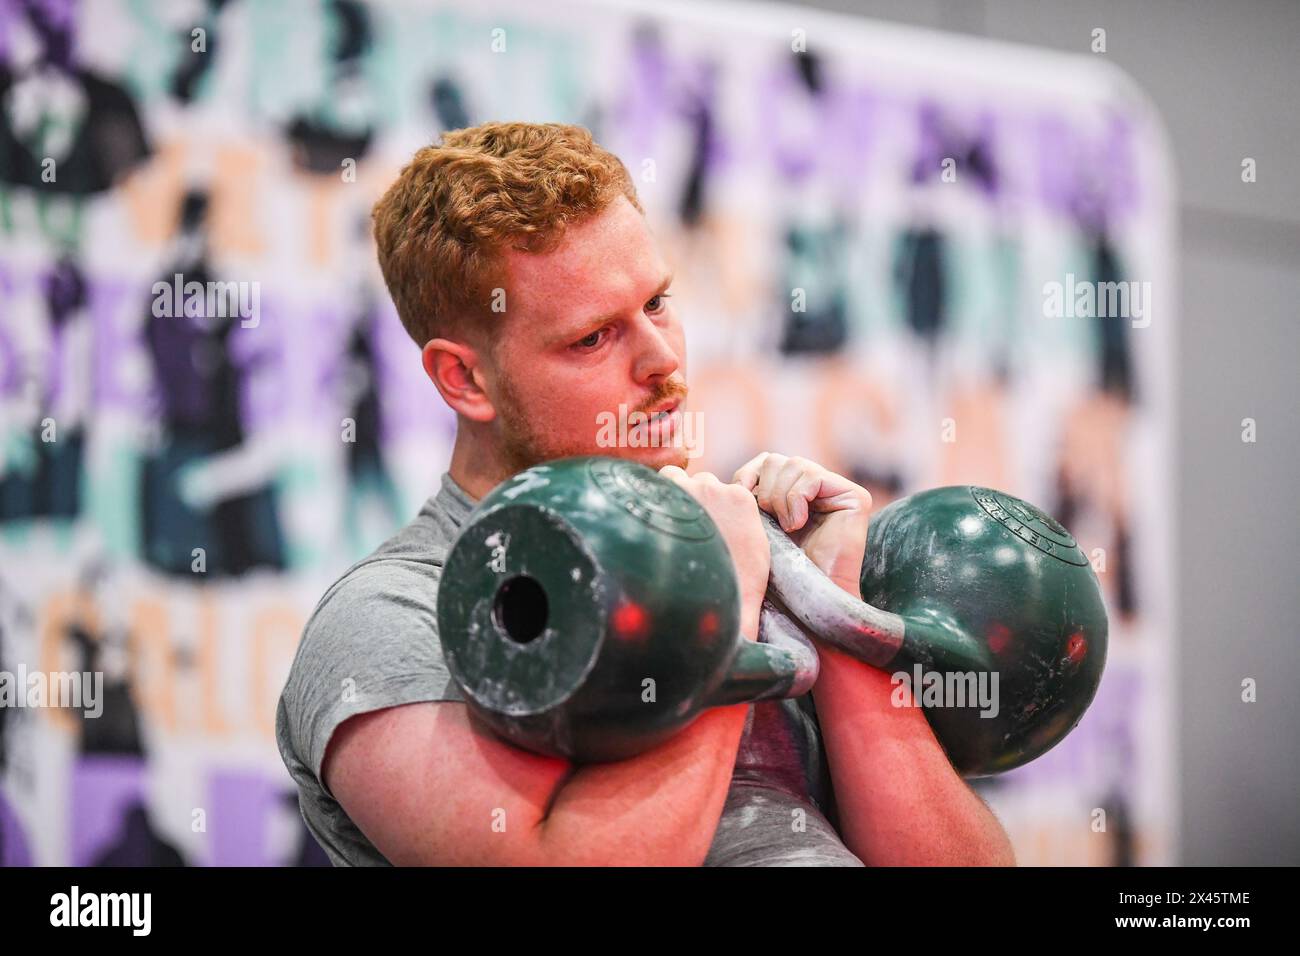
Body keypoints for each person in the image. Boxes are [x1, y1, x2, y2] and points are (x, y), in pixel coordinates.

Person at [275, 121, 1015, 866]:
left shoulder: (763, 560)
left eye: (657, 304)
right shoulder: (392, 617)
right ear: (465, 380)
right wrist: (717, 615)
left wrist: (833, 612)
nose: (663, 362)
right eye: (594, 337)